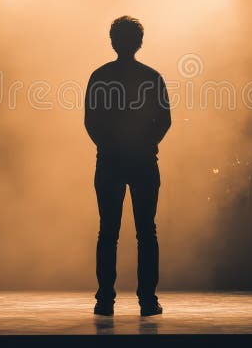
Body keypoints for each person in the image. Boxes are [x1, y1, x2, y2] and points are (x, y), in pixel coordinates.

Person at [85, 16, 171, 317]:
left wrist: (108, 147)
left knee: (108, 232)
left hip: (109, 162)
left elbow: (91, 121)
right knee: (146, 232)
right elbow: (165, 120)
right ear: (140, 42)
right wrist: (148, 144)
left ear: (112, 41)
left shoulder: (100, 76)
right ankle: (147, 299)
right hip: (144, 162)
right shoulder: (152, 77)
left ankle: (105, 299)